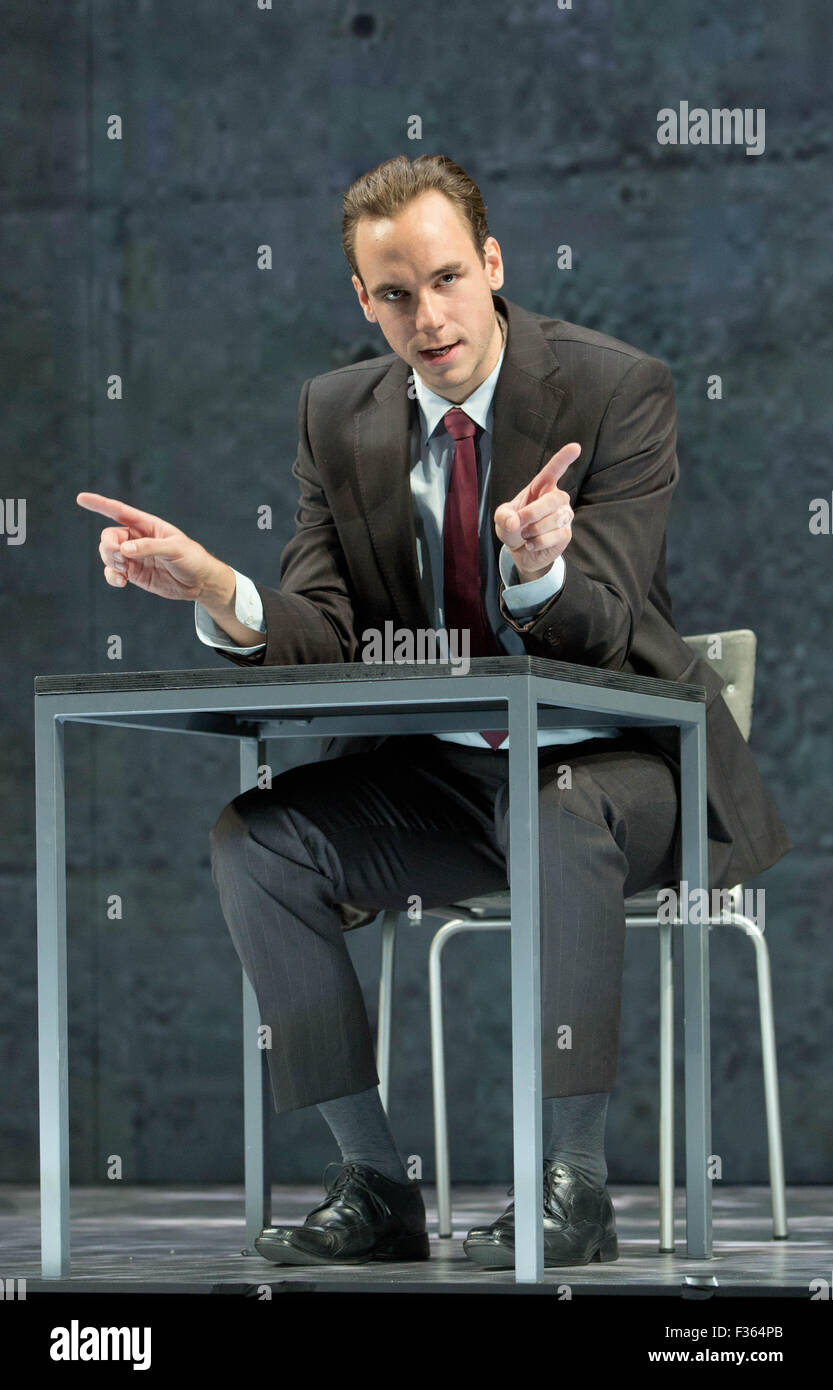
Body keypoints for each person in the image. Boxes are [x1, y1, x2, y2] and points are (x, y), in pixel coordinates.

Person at [77, 153, 791, 1271]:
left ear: (493, 266)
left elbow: (603, 627)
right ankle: (371, 1185)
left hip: (618, 768)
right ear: (361, 300)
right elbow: (318, 623)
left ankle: (574, 1186)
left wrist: (545, 570)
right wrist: (222, 591)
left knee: (557, 809)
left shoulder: (614, 389)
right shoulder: (337, 418)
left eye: (449, 279)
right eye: (395, 294)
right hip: (450, 781)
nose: (428, 316)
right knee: (259, 840)